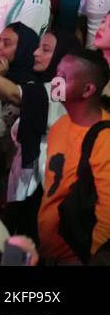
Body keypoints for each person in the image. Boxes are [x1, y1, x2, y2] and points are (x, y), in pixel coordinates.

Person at [37, 48, 110, 263]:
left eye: (63, 77)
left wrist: (90, 259)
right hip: (50, 251)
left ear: (88, 90)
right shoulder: (61, 125)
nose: (55, 82)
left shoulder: (104, 140)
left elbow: (107, 215)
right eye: (56, 74)